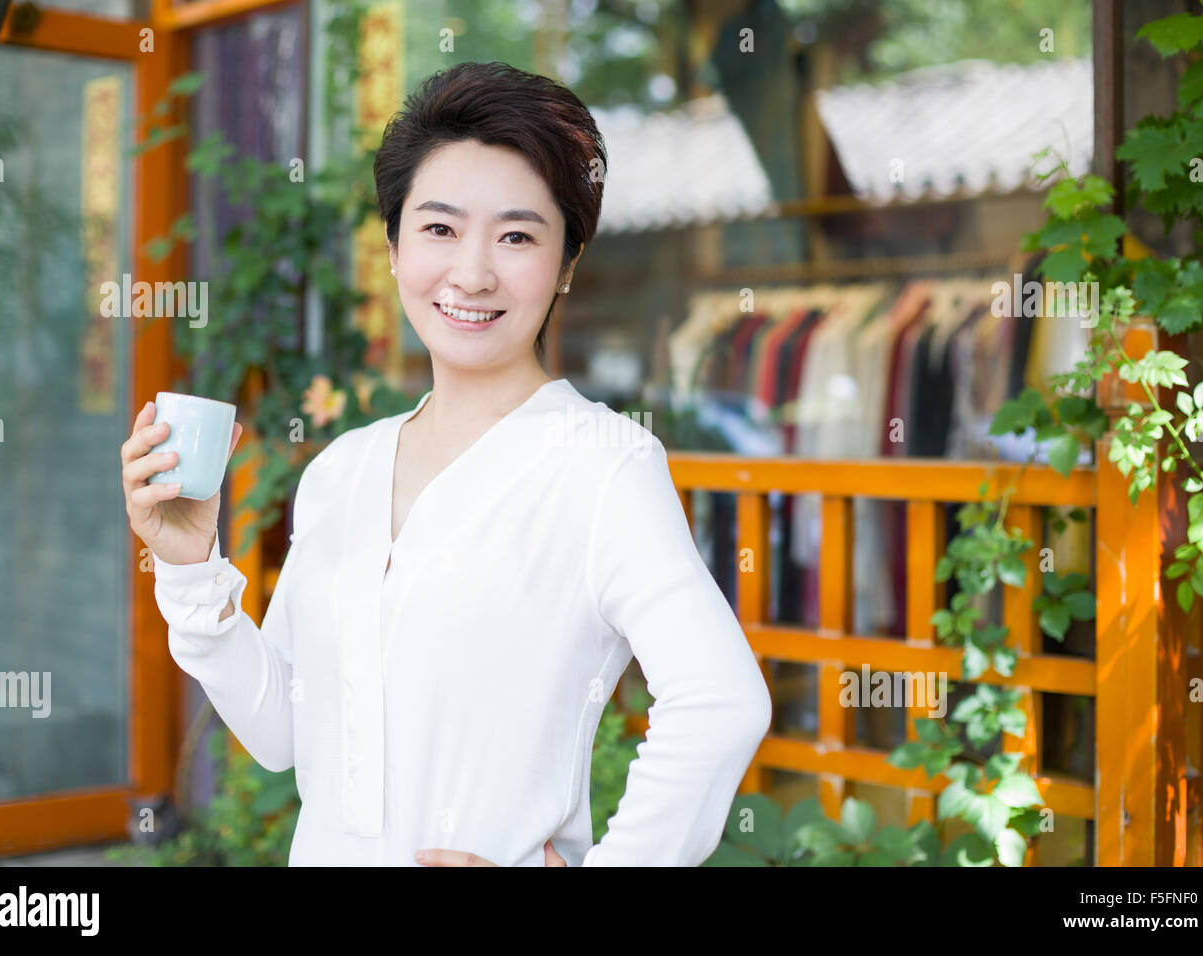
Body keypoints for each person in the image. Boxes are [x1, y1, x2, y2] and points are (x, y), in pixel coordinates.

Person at [120, 60, 771, 867]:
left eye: (518, 235)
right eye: (439, 228)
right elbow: (285, 734)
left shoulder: (603, 465)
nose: (472, 272)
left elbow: (720, 701)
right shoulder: (341, 470)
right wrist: (189, 571)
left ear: (566, 265)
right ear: (393, 248)